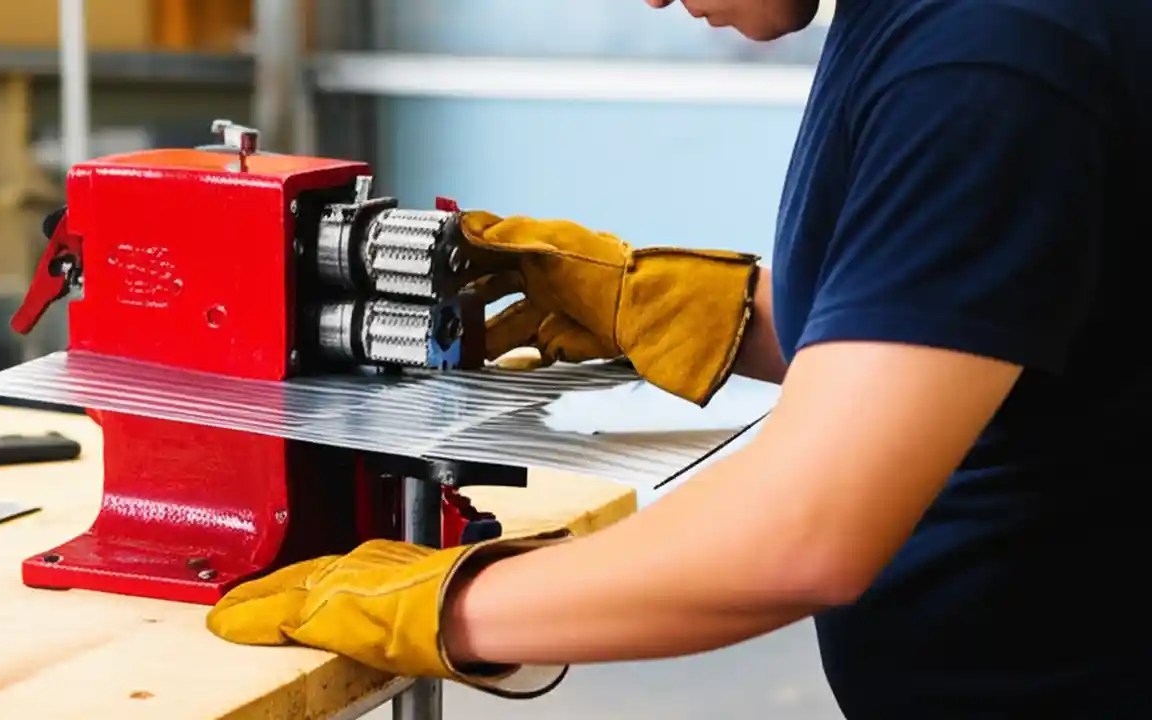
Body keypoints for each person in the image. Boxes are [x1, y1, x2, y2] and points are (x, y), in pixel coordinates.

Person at [205, 0, 1151, 716]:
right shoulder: (937, 26)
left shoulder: (991, 56)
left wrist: (444, 606)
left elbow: (803, 534)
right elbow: (970, 329)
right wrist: (684, 308)